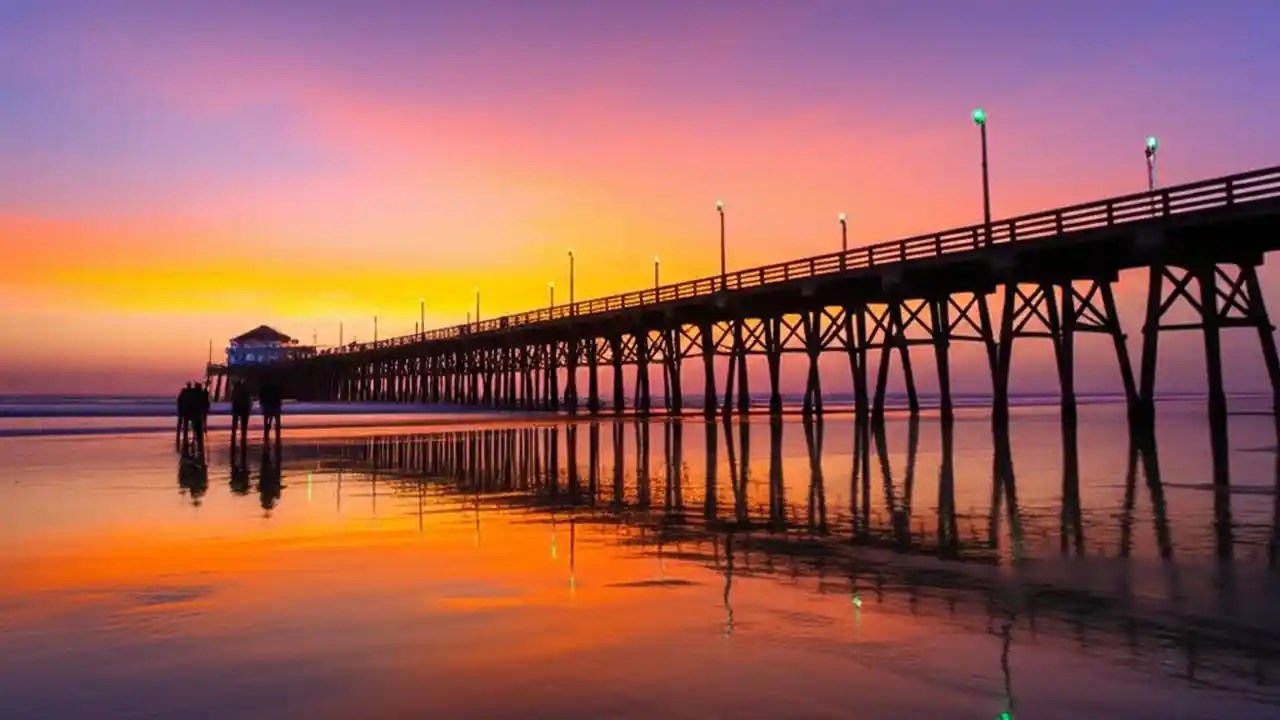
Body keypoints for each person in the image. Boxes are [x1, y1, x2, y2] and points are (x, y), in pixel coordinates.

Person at [230, 380, 253, 449]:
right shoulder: (246, 390)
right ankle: (243, 438)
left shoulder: (236, 390)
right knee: (244, 425)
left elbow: (232, 398)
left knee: (234, 425)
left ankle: (234, 439)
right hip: (245, 408)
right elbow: (249, 400)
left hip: (237, 407)